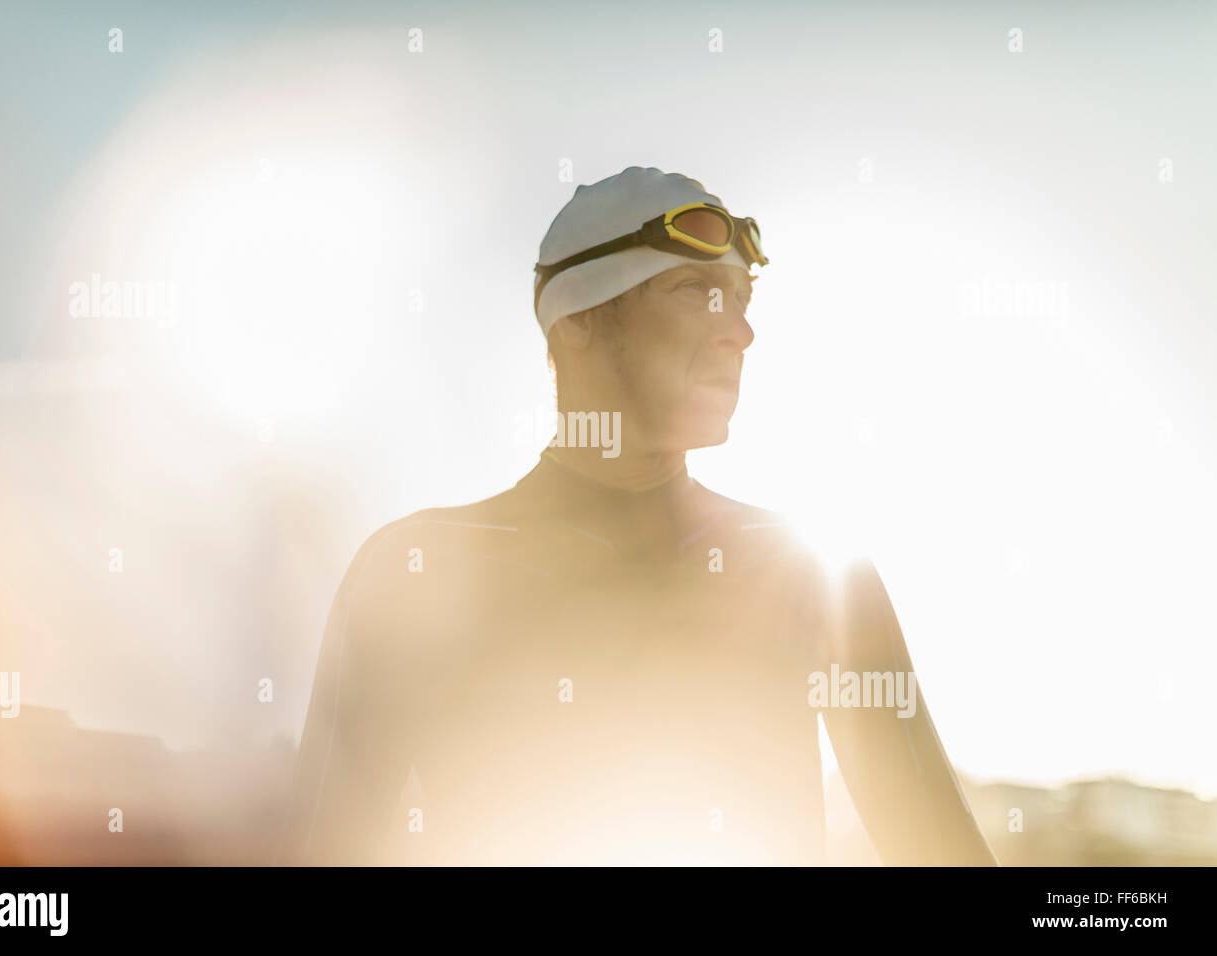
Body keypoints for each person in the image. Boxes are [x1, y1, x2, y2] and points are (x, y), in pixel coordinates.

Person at [279, 166, 997, 865]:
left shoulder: (814, 580)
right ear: (579, 323)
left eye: (743, 300)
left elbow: (941, 851)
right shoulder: (417, 570)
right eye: (696, 291)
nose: (740, 333)